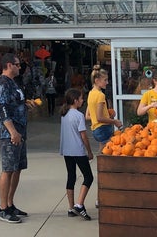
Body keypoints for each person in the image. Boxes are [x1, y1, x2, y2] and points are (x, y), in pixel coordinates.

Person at [0, 52, 36, 223]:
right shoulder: (2, 84)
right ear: (9, 65)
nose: (20, 67)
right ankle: (3, 209)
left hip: (20, 132)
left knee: (17, 168)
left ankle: (10, 204)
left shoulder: (13, 83)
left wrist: (25, 104)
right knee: (8, 169)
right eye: (18, 65)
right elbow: (1, 109)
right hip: (10, 134)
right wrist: (12, 132)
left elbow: (13, 102)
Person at [60, 88, 94, 221]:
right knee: (88, 177)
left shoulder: (64, 114)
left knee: (71, 176)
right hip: (78, 150)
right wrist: (89, 151)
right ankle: (79, 204)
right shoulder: (79, 115)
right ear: (75, 101)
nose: (82, 100)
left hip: (67, 150)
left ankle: (70, 207)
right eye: (81, 98)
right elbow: (83, 136)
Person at [87, 67, 122, 146]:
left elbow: (88, 116)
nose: (107, 82)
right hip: (103, 128)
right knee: (110, 152)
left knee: (103, 151)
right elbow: (99, 118)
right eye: (105, 80)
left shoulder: (91, 93)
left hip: (95, 129)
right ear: (97, 81)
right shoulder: (100, 95)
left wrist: (107, 115)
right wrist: (114, 121)